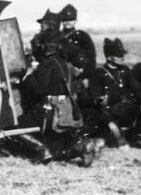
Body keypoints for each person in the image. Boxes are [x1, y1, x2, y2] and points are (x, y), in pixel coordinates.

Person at [17, 31, 98, 165]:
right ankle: (82, 148)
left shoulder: (46, 64)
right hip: (65, 110)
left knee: (13, 127)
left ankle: (41, 150)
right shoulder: (64, 63)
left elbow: (39, 90)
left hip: (48, 111)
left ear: (43, 47)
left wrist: (28, 76)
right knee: (57, 154)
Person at [89, 37, 141, 149]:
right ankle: (118, 138)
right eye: (119, 55)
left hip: (125, 106)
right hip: (108, 109)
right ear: (109, 57)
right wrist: (99, 99)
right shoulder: (99, 73)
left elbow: (137, 87)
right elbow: (95, 95)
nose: (122, 58)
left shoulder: (125, 70)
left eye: (123, 55)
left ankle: (137, 138)